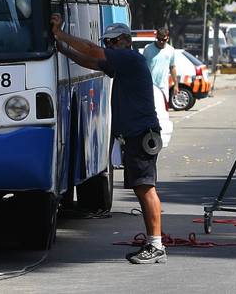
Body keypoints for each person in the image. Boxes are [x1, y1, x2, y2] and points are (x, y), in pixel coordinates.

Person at [50, 15, 166, 265]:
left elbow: (93, 50)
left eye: (112, 42)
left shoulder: (130, 58)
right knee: (142, 188)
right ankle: (154, 242)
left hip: (141, 134)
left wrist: (61, 34)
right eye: (108, 43)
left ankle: (156, 245)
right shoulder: (123, 63)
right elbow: (89, 60)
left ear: (125, 40)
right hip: (135, 135)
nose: (109, 47)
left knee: (146, 188)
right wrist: (61, 49)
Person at [142, 28, 178, 96]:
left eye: (163, 40)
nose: (161, 42)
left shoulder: (171, 50)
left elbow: (172, 67)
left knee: (163, 106)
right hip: (149, 86)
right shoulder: (148, 48)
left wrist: (176, 85)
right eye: (159, 39)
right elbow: (142, 67)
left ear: (167, 38)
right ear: (156, 37)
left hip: (163, 87)